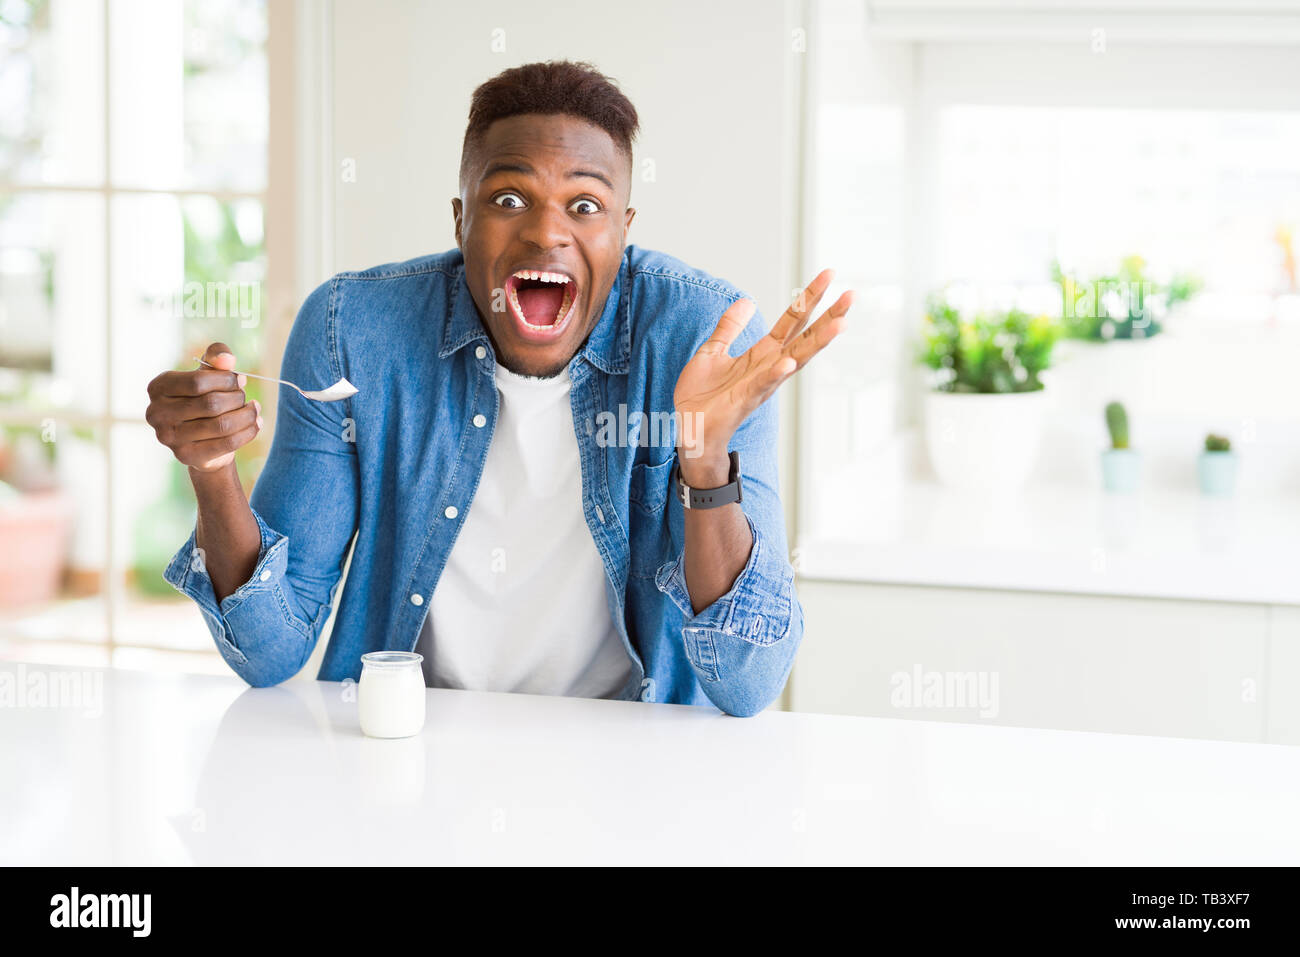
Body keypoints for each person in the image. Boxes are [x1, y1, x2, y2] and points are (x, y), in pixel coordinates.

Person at [145, 60, 852, 716]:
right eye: (510, 197)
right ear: (460, 219)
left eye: (585, 205)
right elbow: (268, 652)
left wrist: (704, 462)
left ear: (623, 230)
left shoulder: (706, 339)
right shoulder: (351, 329)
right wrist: (212, 472)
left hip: (632, 772)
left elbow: (748, 681)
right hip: (409, 751)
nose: (547, 232)